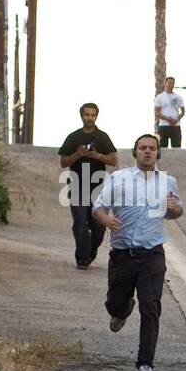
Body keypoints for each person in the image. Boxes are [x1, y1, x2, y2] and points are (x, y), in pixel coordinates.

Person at [91, 134, 183, 371]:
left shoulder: (167, 182)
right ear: (135, 152)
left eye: (152, 148)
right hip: (122, 254)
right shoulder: (118, 179)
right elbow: (97, 207)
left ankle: (145, 362)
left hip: (152, 253)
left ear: (158, 153)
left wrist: (175, 210)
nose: (147, 152)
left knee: (151, 306)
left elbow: (176, 211)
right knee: (114, 303)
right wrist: (106, 219)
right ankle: (122, 309)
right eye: (143, 148)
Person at [57, 103, 118, 268]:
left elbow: (113, 160)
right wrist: (78, 154)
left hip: (98, 187)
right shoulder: (73, 137)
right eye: (87, 115)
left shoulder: (102, 137)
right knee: (80, 221)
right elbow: (63, 162)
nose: (90, 118)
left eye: (93, 115)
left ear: (96, 116)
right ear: (81, 116)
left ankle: (90, 251)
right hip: (77, 184)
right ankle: (82, 258)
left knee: (98, 225)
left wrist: (96, 155)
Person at [154, 77, 186, 148]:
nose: (171, 84)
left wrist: (176, 119)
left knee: (176, 147)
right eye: (169, 82)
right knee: (162, 147)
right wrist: (167, 118)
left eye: (173, 83)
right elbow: (156, 112)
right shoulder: (160, 97)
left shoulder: (178, 97)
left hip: (175, 126)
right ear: (165, 83)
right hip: (163, 126)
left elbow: (183, 111)